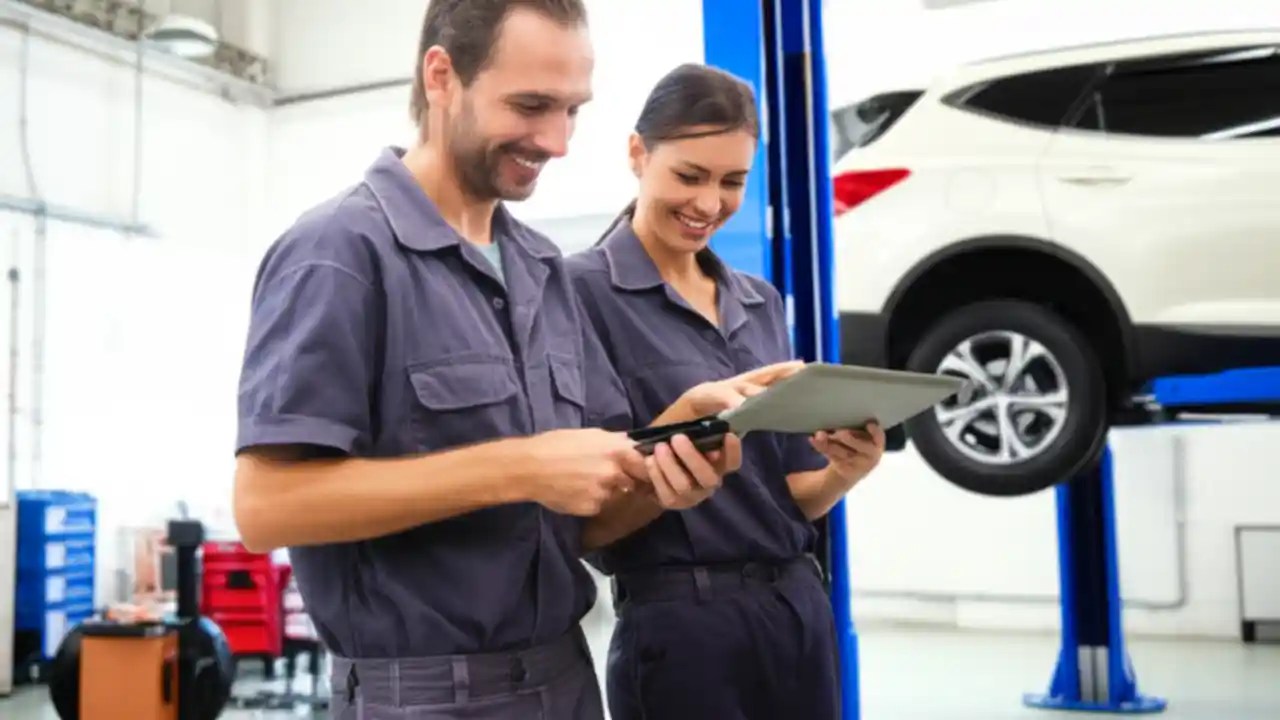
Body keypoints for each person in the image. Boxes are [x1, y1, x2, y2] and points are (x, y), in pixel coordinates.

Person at [231, 5, 775, 718]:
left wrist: (670, 454)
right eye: (530, 105)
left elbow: (586, 519)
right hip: (424, 696)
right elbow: (267, 507)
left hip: (565, 678)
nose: (557, 141)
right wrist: (520, 467)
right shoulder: (340, 254)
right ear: (441, 77)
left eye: (572, 111)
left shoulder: (543, 271)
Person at [565, 63, 889, 720]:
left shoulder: (759, 301)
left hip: (797, 608)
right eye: (690, 175)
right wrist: (684, 419)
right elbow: (590, 513)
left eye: (732, 181)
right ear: (637, 153)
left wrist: (846, 472)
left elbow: (790, 495)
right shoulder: (577, 294)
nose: (709, 203)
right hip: (681, 626)